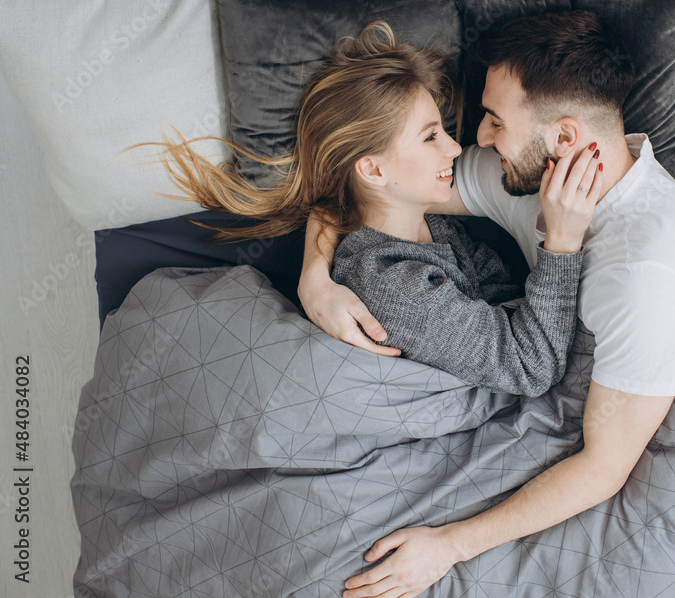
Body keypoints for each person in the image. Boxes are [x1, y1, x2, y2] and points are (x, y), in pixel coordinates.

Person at [296, 9, 675, 597]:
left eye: (494, 121)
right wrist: (314, 277)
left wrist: (448, 545)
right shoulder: (525, 174)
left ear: (566, 138)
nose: (473, 140)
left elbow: (604, 467)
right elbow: (362, 193)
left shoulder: (646, 273)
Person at [150, 20, 603, 396]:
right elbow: (530, 368)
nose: (455, 148)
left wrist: (314, 275)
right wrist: (561, 244)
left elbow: (508, 302)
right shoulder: (392, 284)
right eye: (430, 137)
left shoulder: (433, 226)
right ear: (372, 169)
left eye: (444, 131)